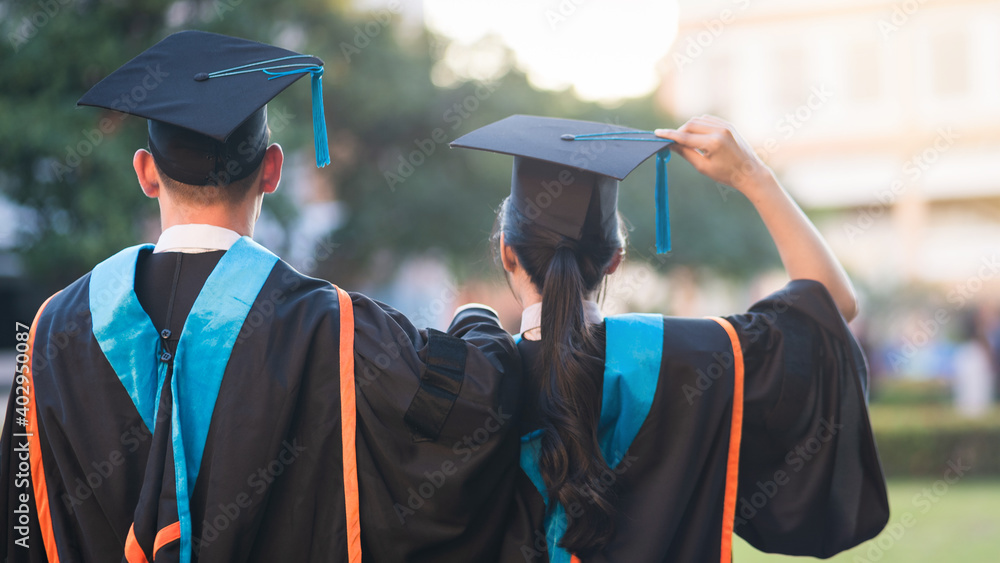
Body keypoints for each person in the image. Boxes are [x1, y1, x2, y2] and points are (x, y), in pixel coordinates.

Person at [0, 31, 521, 562]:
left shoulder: (51, 331)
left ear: (146, 173)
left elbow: (18, 525)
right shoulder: (331, 327)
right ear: (271, 170)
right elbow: (475, 406)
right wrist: (477, 318)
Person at [451, 114, 890, 562]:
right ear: (615, 259)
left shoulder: (459, 385)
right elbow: (829, 306)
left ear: (507, 251)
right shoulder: (698, 356)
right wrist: (751, 176)